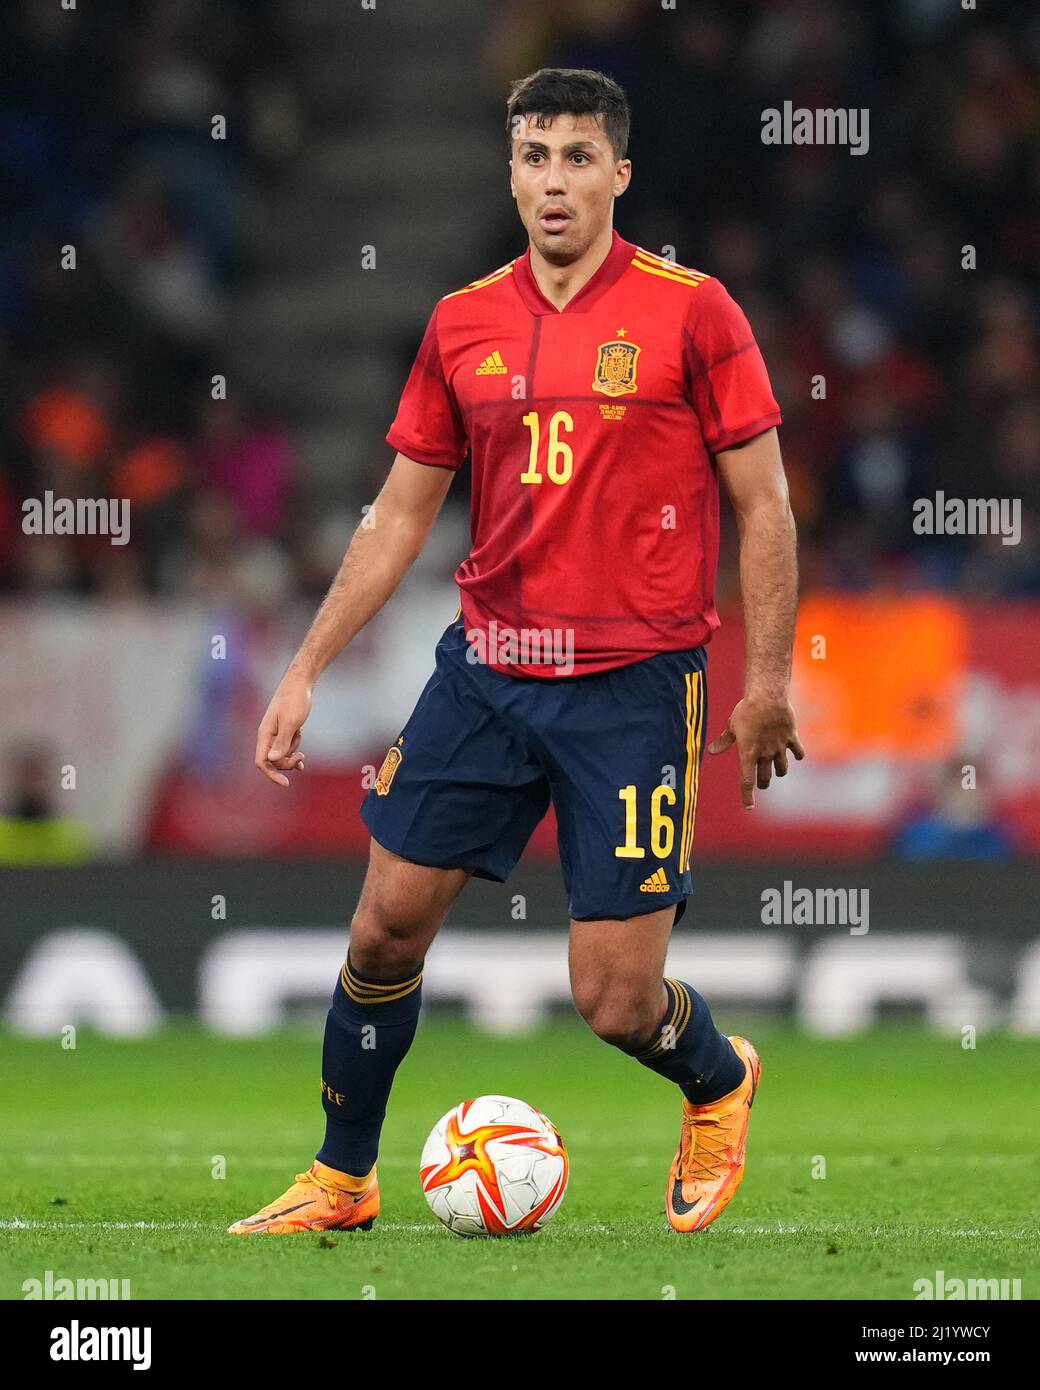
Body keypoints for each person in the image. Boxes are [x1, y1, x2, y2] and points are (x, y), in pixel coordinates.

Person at [229, 68, 803, 1237]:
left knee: (611, 998)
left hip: (633, 686)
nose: (553, 180)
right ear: (508, 172)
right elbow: (396, 517)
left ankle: (718, 1080)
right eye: (534, 155)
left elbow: (767, 508)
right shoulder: (459, 323)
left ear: (617, 176)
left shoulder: (694, 313)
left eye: (577, 157)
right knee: (383, 923)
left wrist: (768, 684)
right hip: (486, 671)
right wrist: (304, 665)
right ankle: (343, 1177)